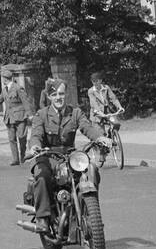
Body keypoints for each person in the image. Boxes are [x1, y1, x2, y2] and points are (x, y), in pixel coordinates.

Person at [24, 78, 109, 231]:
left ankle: (91, 208)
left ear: (66, 95)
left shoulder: (75, 113)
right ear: (49, 96)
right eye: (54, 94)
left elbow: (87, 127)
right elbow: (36, 134)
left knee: (92, 169)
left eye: (61, 94)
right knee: (42, 176)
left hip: (70, 156)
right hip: (47, 156)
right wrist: (35, 146)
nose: (58, 97)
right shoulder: (41, 115)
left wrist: (100, 138)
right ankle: (43, 217)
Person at [0, 67, 33, 165]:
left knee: (21, 137)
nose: (2, 80)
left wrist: (30, 115)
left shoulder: (17, 88)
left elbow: (25, 101)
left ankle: (23, 156)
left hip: (20, 117)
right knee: (12, 139)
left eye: (2, 78)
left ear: (5, 78)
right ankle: (15, 159)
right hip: (9, 118)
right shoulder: (4, 90)